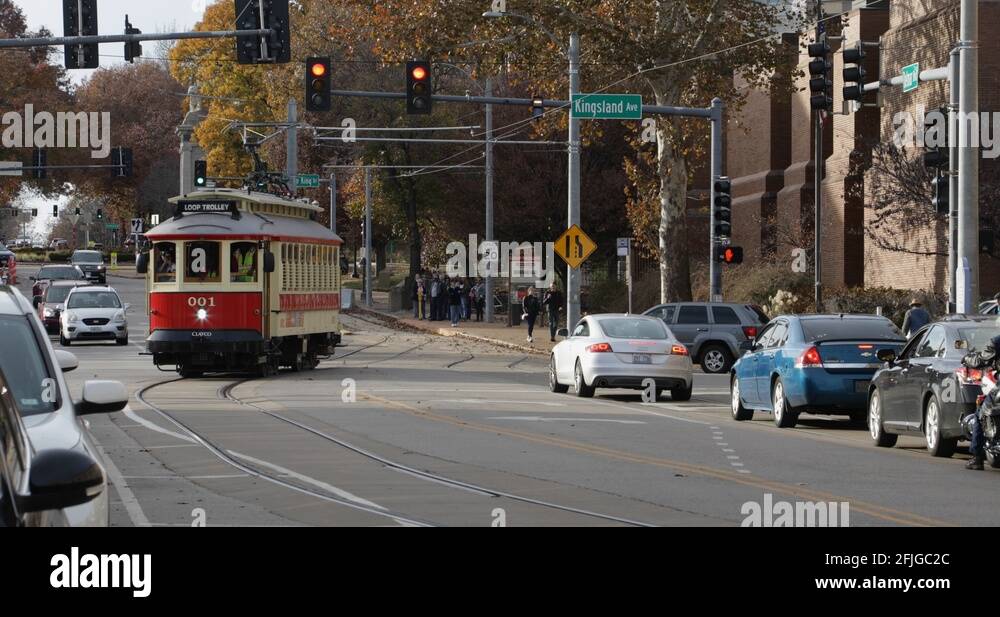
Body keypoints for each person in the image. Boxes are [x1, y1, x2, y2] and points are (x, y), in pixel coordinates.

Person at [962, 335, 1000, 470]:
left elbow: (981, 360)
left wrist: (966, 359)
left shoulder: (997, 341)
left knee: (980, 413)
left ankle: (977, 458)